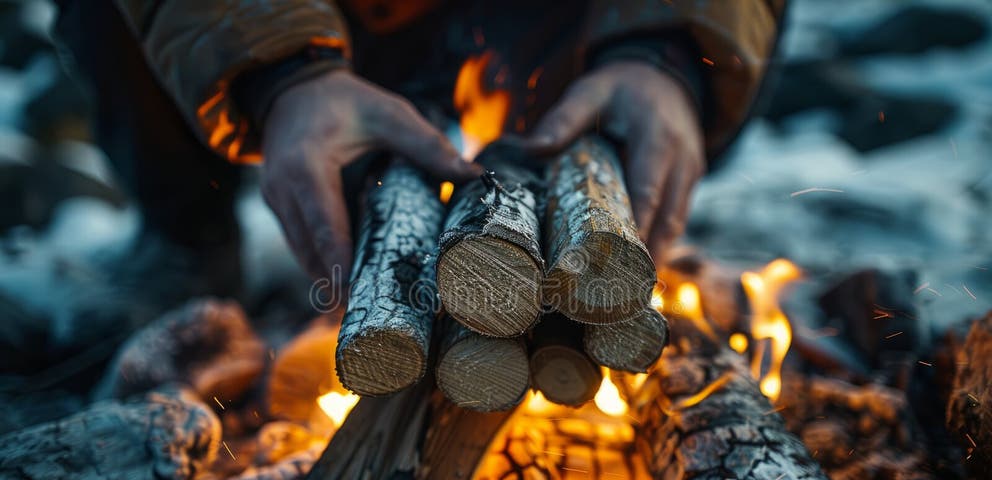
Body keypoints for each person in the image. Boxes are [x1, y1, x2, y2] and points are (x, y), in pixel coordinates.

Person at [54, 0, 784, 304]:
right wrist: (281, 72)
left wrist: (669, 52)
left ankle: (590, 219)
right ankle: (188, 235)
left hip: (559, 36)